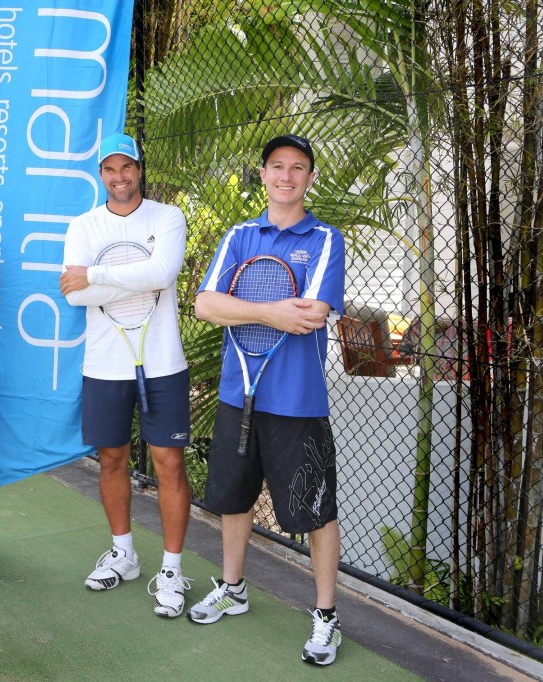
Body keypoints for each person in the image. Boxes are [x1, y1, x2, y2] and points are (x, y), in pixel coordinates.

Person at [191, 134, 345, 665]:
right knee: (233, 500)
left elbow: (313, 314)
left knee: (316, 511)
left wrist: (246, 307)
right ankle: (232, 589)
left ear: (309, 178)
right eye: (277, 166)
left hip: (298, 403)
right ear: (263, 174)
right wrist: (272, 311)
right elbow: (205, 305)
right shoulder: (239, 236)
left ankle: (326, 616)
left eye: (297, 167)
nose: (286, 176)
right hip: (238, 394)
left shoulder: (325, 239)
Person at [60, 133, 193, 617]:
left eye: (127, 167)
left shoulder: (167, 217)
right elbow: (73, 295)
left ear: (140, 169)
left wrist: (96, 275)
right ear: (102, 175)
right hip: (104, 365)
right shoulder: (83, 226)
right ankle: (124, 555)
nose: (120, 177)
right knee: (111, 460)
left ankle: (172, 570)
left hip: (163, 364)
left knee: (168, 464)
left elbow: (163, 273)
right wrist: (136, 276)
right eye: (111, 169)